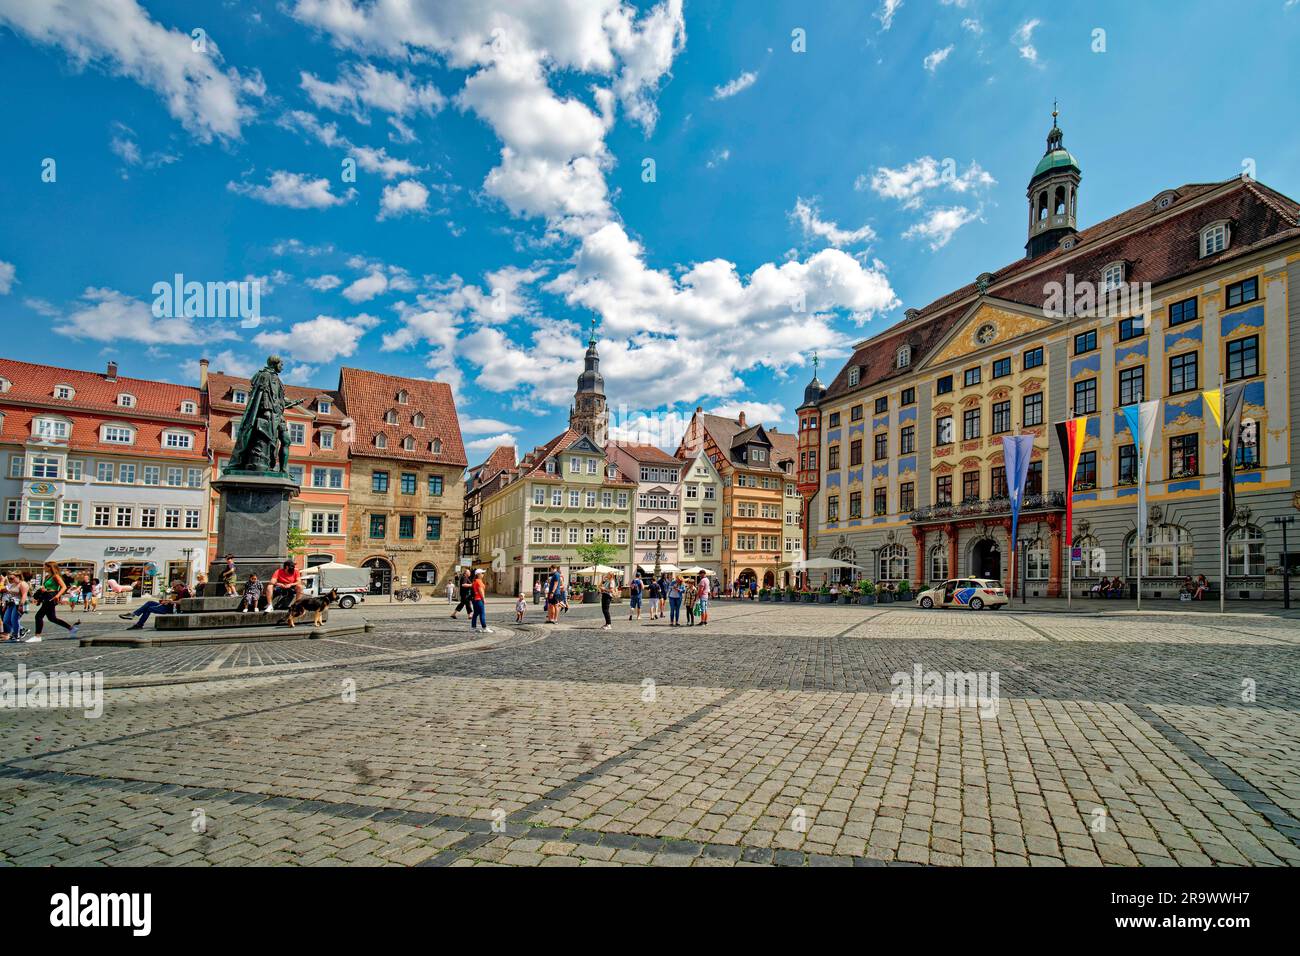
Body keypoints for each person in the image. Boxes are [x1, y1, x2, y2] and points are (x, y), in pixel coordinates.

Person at [120, 579, 189, 630]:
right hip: (168, 606)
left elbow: (182, 601)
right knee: (150, 602)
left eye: (174, 587)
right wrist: (166, 601)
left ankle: (139, 624)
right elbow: (174, 599)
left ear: (179, 586)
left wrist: (170, 602)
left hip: (172, 609)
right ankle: (134, 615)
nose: (173, 589)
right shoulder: (178, 592)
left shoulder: (185, 591)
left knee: (148, 609)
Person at [33, 563, 76, 640]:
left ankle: (37, 636)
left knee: (38, 616)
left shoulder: (55, 576)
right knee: (52, 618)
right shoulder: (47, 576)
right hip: (46, 596)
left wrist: (57, 595)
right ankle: (71, 628)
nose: (44, 568)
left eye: (45, 566)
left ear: (50, 568)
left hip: (51, 597)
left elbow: (64, 587)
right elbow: (47, 587)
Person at [470, 569, 491, 633]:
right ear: (478, 574)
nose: (483, 574)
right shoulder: (479, 581)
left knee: (475, 614)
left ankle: (473, 627)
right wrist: (483, 599)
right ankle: (484, 627)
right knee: (482, 613)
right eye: (482, 573)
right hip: (479, 599)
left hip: (475, 600)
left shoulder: (475, 581)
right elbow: (480, 590)